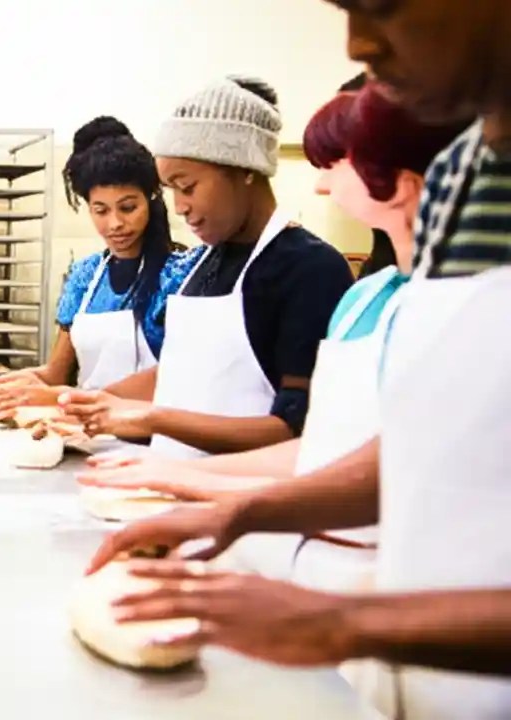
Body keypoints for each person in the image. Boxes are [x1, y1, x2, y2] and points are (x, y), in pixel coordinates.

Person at [86, 2, 511, 717]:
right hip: (425, 665)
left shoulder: (305, 266)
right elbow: (424, 453)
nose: (356, 42)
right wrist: (239, 509)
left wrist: (336, 622)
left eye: (384, 5)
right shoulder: (462, 181)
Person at [81, 85, 468, 589]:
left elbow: (306, 434)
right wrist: (106, 414)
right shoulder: (363, 295)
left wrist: (172, 447)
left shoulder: (318, 270)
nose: (321, 187)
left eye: (188, 186)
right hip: (216, 516)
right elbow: (324, 445)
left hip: (357, 560)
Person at [62, 77, 354, 458]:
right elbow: (180, 376)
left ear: (244, 169)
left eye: (188, 186)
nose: (180, 206)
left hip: (250, 503)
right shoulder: (205, 262)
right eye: (171, 190)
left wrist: (152, 420)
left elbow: (297, 430)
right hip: (174, 484)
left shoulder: (308, 269)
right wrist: (83, 402)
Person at [0, 117, 200, 412]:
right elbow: (55, 374)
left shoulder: (181, 275)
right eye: (100, 210)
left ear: (152, 198)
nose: (115, 223)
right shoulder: (86, 276)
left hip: (154, 437)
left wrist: (60, 398)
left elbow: (181, 379)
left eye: (128, 208)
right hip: (87, 430)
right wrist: (6, 386)